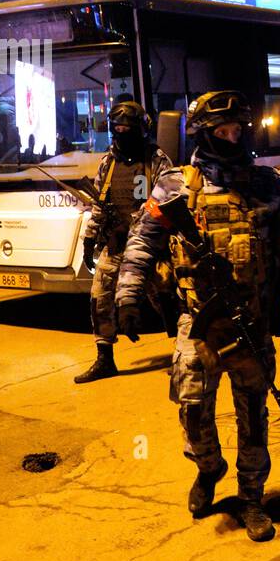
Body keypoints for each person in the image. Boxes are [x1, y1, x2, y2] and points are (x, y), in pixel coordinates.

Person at [115, 90, 280, 539]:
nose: (232, 138)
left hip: (251, 323)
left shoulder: (266, 184)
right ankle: (208, 468)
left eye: (237, 130)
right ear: (204, 133)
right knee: (192, 412)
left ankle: (252, 499)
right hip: (197, 326)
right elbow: (142, 243)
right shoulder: (177, 184)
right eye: (222, 131)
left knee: (254, 415)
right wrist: (127, 297)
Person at [74, 100, 176, 383]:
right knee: (100, 299)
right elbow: (99, 202)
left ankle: (183, 352)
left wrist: (140, 220)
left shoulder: (156, 161)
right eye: (117, 128)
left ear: (141, 130)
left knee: (165, 298)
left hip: (150, 247)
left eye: (127, 128)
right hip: (115, 244)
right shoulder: (109, 162)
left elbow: (168, 203)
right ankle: (105, 359)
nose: (121, 133)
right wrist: (90, 238)